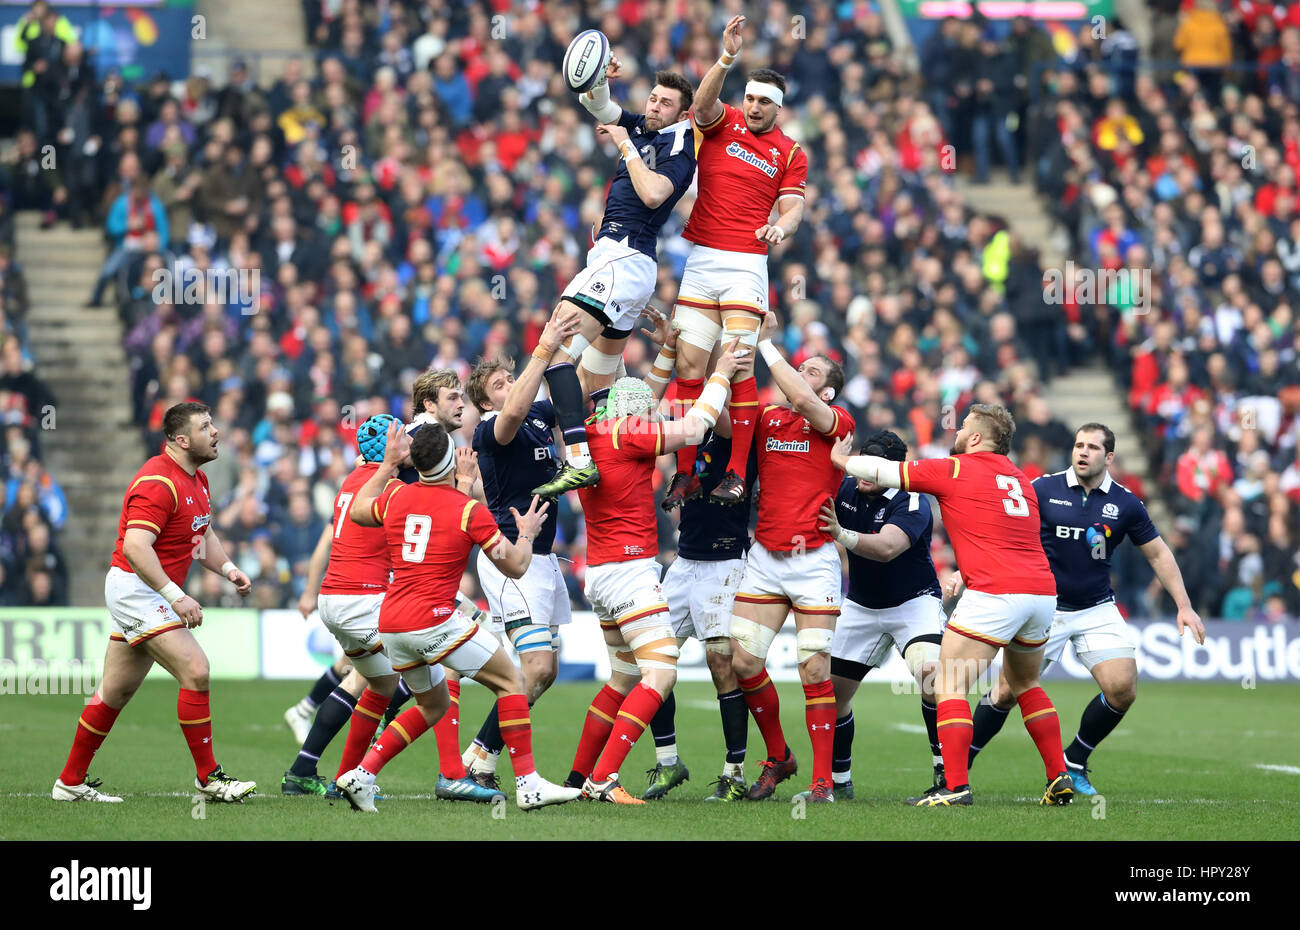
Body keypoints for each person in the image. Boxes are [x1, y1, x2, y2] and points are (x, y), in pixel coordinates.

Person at [831, 403, 1072, 807]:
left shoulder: (955, 468)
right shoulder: (1020, 480)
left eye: (962, 428)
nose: (956, 433)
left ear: (976, 438)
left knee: (947, 684)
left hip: (996, 594)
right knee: (1026, 683)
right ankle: (1057, 776)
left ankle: (955, 786)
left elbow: (887, 474)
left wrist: (840, 458)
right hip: (1041, 593)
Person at [335, 421, 580, 812]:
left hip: (393, 624)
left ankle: (362, 774)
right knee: (511, 681)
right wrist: (528, 532)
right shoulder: (470, 511)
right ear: (453, 462)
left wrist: (384, 467)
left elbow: (361, 511)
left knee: (432, 707)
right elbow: (517, 567)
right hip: (433, 620)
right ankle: (529, 784)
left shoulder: (396, 496)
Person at [962, 423, 1206, 794]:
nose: (1082, 452)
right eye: (1079, 445)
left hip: (1096, 606)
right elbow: (1003, 533)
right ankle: (957, 769)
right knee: (1007, 692)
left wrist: (1184, 606)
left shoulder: (1125, 502)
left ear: (1108, 457)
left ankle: (1075, 760)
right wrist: (967, 574)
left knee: (1123, 687)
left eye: (1092, 447)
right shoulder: (1043, 488)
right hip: (1044, 606)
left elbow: (1157, 552)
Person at [564, 345, 750, 803]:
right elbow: (693, 427)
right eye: (646, 411)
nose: (652, 415)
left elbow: (634, 395)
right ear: (633, 414)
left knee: (622, 679)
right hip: (629, 570)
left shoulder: (589, 433)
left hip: (602, 572)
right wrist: (721, 373)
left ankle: (576, 781)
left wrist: (669, 349)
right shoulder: (629, 433)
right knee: (661, 673)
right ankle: (605, 777)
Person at [53, 402, 256, 803]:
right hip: (135, 589)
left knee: (114, 692)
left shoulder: (197, 479)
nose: (215, 432)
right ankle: (208, 778)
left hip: (145, 589)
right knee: (196, 670)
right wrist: (176, 596)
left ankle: (69, 782)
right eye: (205, 427)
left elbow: (203, 534)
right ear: (181, 440)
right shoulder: (158, 482)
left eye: (212, 423)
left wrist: (228, 569)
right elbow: (134, 546)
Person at [529, 57, 698, 498]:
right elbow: (599, 105)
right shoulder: (647, 127)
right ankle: (612, 460)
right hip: (623, 263)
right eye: (654, 98)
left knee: (555, 349)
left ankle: (579, 459)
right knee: (599, 379)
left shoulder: (679, 145)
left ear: (684, 115)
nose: (655, 106)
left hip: (622, 257)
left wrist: (624, 145)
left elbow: (655, 192)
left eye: (666, 103)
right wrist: (599, 78)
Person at [664, 14, 808, 509]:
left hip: (747, 262)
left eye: (764, 101)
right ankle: (685, 473)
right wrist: (725, 57)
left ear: (778, 108)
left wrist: (781, 227)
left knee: (739, 367)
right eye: (749, 97)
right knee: (689, 361)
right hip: (703, 257)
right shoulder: (722, 120)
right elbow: (700, 104)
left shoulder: (790, 152)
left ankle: (735, 472)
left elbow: (793, 206)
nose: (754, 107)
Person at [727, 311, 854, 803]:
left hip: (814, 559)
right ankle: (779, 757)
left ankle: (822, 782)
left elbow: (800, 395)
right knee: (742, 661)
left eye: (814, 371)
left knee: (815, 671)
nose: (802, 375)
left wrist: (766, 343)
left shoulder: (837, 423)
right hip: (765, 556)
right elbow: (728, 421)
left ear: (829, 393)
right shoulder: (769, 418)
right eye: (801, 367)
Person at [459, 305, 583, 790]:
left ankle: (479, 757)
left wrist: (599, 337)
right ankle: (494, 765)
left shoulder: (535, 413)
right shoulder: (492, 428)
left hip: (544, 556)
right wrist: (546, 346)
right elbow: (512, 410)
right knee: (536, 666)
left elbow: (578, 398)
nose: (511, 386)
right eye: (499, 384)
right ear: (485, 401)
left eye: (512, 378)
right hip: (513, 555)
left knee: (543, 673)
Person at [640, 319, 757, 801]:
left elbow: (716, 407)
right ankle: (668, 762)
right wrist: (678, 349)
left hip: (725, 559)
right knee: (656, 660)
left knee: (720, 662)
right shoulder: (688, 433)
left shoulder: (732, 431)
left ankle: (734, 773)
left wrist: (711, 358)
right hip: (684, 562)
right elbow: (665, 405)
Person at [816, 429, 945, 799]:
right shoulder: (846, 490)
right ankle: (840, 782)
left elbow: (887, 547)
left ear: (894, 470)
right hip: (861, 605)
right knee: (831, 695)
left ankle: (945, 774)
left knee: (932, 676)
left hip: (913, 604)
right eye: (861, 465)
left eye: (875, 469)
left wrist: (841, 534)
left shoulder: (914, 500)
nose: (863, 476)